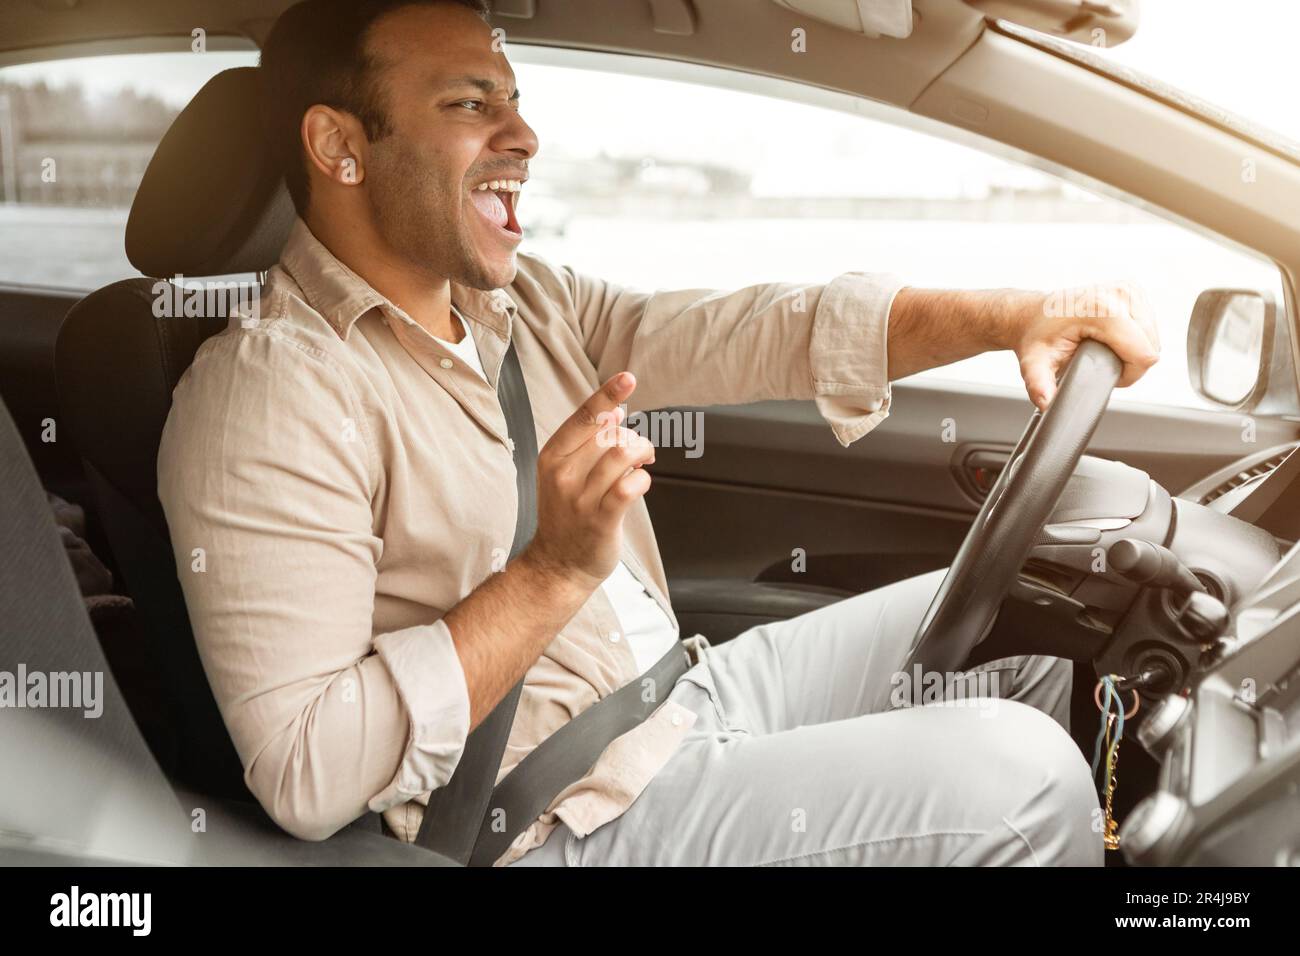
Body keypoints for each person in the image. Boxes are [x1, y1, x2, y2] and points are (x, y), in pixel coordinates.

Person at [158, 0, 1159, 866]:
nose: (523, 135)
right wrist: (549, 571)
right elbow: (306, 765)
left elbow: (766, 327)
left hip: (686, 691)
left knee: (1032, 637)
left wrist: (1010, 316)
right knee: (1021, 777)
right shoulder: (265, 395)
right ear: (339, 146)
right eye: (470, 104)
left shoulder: (523, 303)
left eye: (513, 99)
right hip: (554, 808)